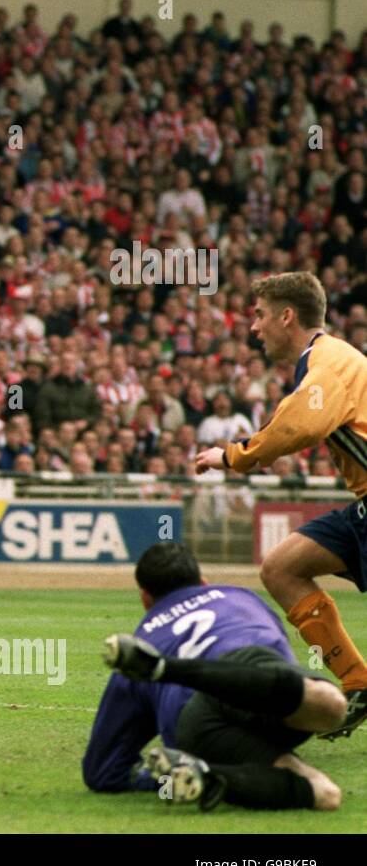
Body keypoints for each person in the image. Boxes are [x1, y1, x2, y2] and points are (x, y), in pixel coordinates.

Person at [195, 272, 367, 738]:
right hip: (364, 506)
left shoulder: (329, 361)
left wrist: (235, 454)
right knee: (282, 567)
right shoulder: (328, 359)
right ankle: (357, 682)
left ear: (287, 316)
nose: (253, 327)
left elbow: (301, 425)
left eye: (260, 315)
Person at [84, 542, 346, 812]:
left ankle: (208, 775)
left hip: (198, 727)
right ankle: (167, 668)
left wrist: (162, 781)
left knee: (326, 795)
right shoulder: (241, 597)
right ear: (203, 582)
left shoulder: (139, 650)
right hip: (259, 688)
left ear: (145, 600)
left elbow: (103, 772)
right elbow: (282, 661)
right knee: (332, 706)